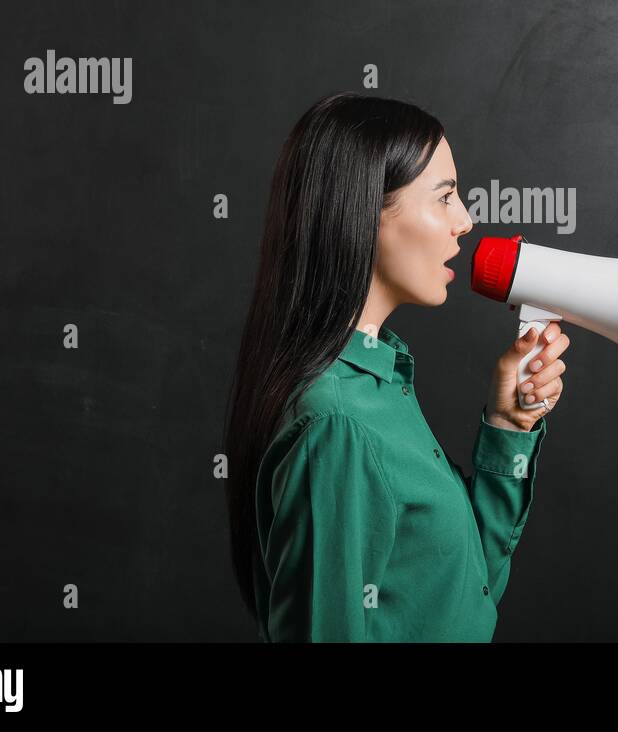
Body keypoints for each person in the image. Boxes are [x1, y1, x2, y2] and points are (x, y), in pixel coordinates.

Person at [222, 91, 569, 641]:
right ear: (365, 212)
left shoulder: (381, 385)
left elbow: (464, 588)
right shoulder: (338, 425)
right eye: (445, 197)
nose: (466, 221)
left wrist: (509, 426)